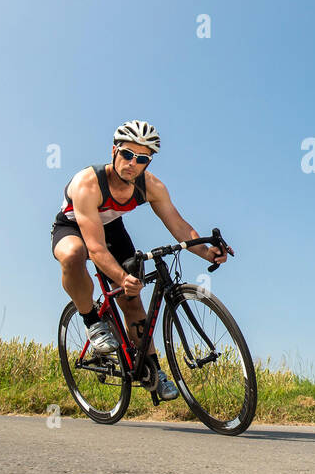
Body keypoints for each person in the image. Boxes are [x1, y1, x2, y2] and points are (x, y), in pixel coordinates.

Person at [50, 120, 233, 401]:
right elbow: (95, 249)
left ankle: (152, 370)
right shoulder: (88, 183)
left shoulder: (152, 186)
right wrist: (122, 278)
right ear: (114, 151)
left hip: (112, 230)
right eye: (127, 154)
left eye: (142, 158)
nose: (132, 163)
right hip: (74, 227)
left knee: (131, 300)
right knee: (74, 255)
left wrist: (207, 251)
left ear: (148, 162)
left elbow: (179, 226)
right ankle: (91, 321)